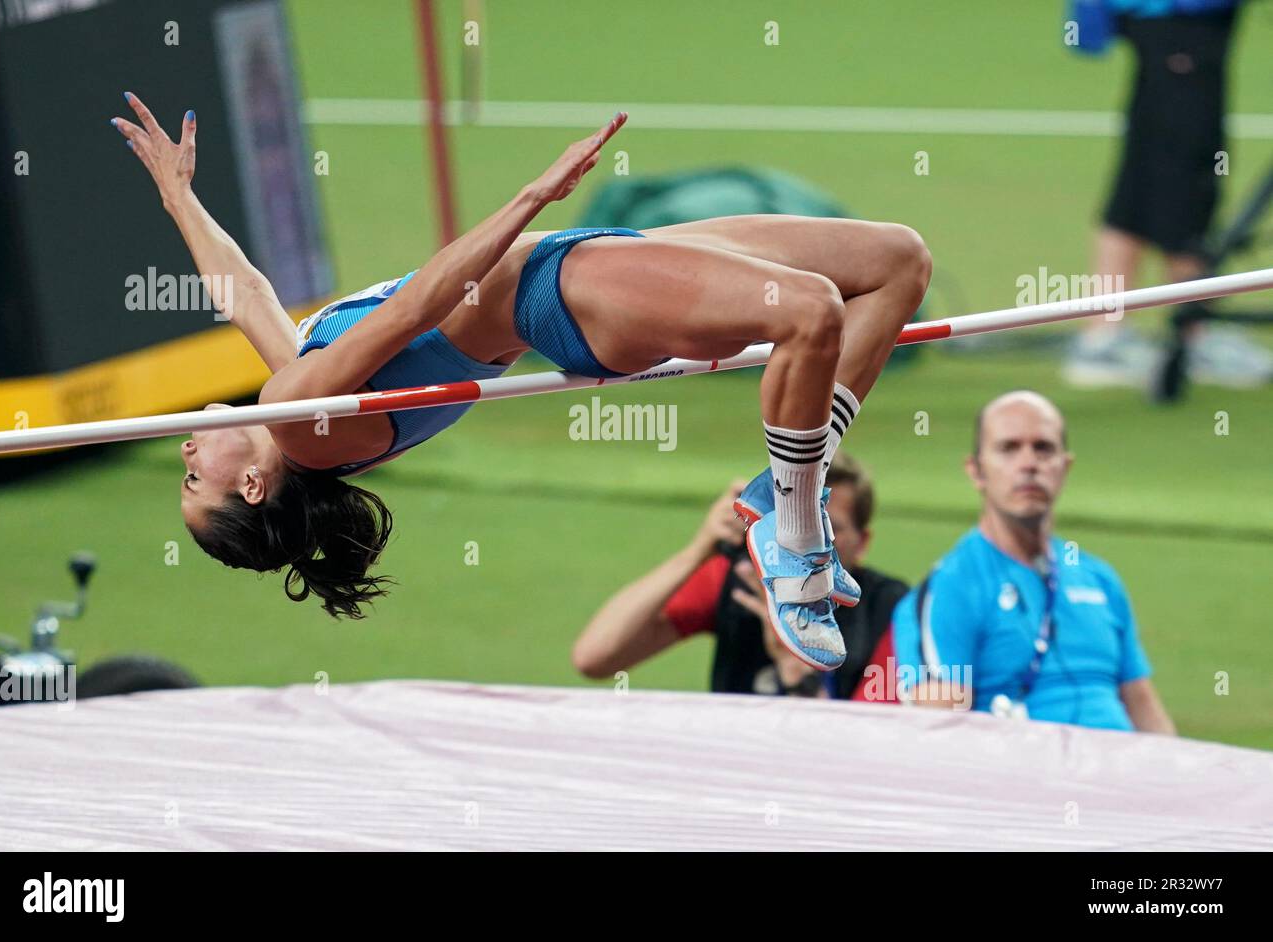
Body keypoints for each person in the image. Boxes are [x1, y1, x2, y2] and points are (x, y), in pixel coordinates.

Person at [112, 92, 930, 635]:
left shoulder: (297, 404)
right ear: (251, 487)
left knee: (897, 262)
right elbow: (413, 309)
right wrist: (532, 196)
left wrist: (177, 197)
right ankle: (792, 534)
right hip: (568, 296)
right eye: (194, 481)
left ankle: (788, 488)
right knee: (811, 312)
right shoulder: (299, 425)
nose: (185, 453)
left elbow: (249, 293)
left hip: (582, 264)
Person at [891, 391, 1175, 733]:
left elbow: (1144, 708)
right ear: (976, 471)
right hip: (1025, 779)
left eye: (1043, 448)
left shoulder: (1100, 580)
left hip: (1123, 777)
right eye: (1009, 448)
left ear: (1064, 467)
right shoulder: (949, 590)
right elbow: (940, 734)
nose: (1029, 463)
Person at [572, 453, 908, 699]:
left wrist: (794, 670)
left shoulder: (891, 609)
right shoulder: (737, 578)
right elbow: (595, 658)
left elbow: (862, 751)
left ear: (862, 542)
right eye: (796, 520)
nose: (808, 537)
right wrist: (700, 549)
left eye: (828, 526)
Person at [1063, 0, 1272, 389]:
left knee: (1138, 184)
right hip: (1182, 29)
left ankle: (1104, 337)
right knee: (1187, 184)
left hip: (1167, 30)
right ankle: (1191, 337)